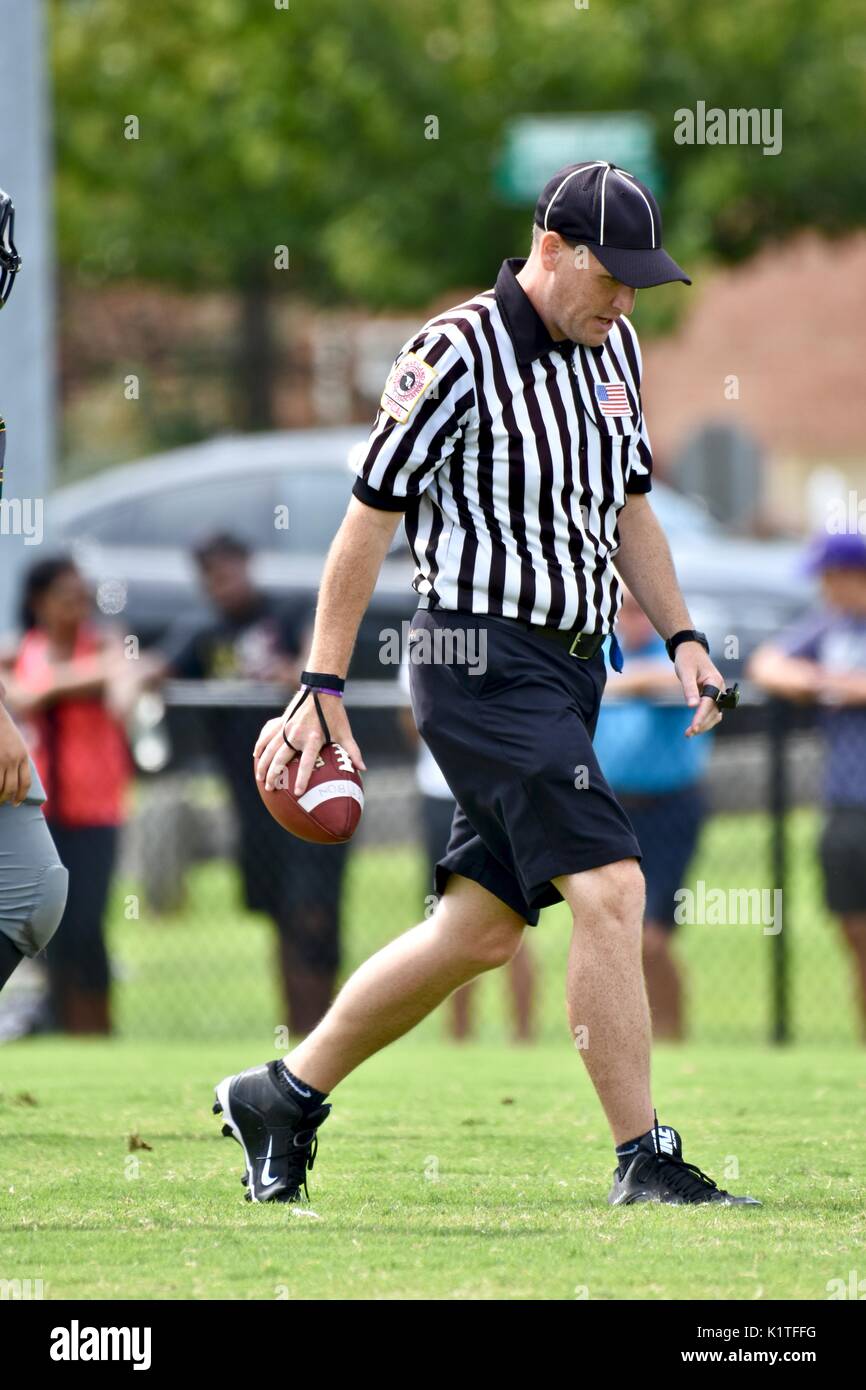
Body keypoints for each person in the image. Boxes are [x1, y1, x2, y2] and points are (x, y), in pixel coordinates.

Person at [214, 160, 760, 1207]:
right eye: (611, 275)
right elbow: (365, 519)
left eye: (641, 281)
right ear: (550, 250)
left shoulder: (617, 348)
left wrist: (682, 635)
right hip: (478, 660)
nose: (625, 299)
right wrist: (322, 679)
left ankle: (280, 1094)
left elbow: (629, 505)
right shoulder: (452, 351)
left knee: (479, 930)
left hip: (571, 666)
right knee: (612, 886)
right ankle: (641, 1155)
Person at [153, 533, 350, 1035]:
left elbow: (314, 660)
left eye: (230, 571)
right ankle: (296, 1033)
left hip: (312, 790)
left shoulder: (287, 612)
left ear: (248, 564)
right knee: (281, 917)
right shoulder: (203, 633)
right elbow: (155, 668)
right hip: (254, 803)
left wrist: (296, 676)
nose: (224, 585)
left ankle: (324, 1032)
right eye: (212, 578)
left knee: (314, 916)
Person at [1, 557, 131, 1033]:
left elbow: (123, 686)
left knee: (86, 924)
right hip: (39, 807)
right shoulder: (23, 651)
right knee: (45, 922)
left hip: (95, 808)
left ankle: (95, 1027)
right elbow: (18, 695)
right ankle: (59, 1019)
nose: (78, 606)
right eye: (65, 596)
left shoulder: (102, 644)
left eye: (82, 595)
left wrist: (50, 685)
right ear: (39, 602)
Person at [749, 532, 866, 1035]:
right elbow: (767, 663)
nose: (824, 589)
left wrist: (836, 685)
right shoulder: (832, 629)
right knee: (853, 926)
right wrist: (823, 682)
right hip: (844, 802)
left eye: (830, 578)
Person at [592, 590, 712, 1040]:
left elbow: (692, 684)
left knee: (654, 938)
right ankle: (627, 1038)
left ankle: (673, 1035)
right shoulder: (599, 648)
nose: (632, 618)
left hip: (671, 808)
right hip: (612, 806)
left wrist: (635, 681)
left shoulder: (682, 648)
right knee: (616, 935)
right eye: (625, 608)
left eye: (641, 608)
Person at [397, 655, 536, 1042]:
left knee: (511, 917)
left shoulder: (500, 631)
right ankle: (459, 1036)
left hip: (497, 791)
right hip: (442, 795)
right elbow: (411, 715)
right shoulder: (421, 641)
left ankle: (524, 1037)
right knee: (452, 918)